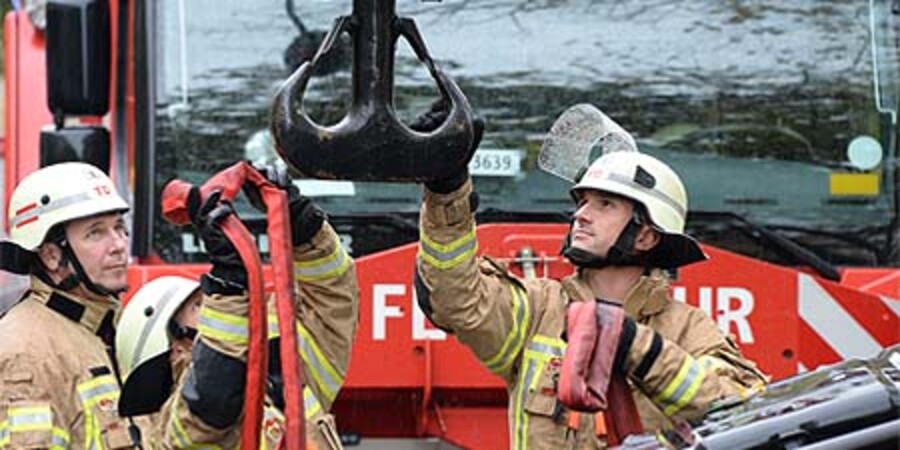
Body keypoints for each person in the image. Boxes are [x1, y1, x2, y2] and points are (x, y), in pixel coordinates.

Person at [413, 115, 767, 448]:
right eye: (582, 203)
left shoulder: (689, 328)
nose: (581, 215)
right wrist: (448, 189)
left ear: (645, 236)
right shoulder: (539, 309)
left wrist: (636, 346)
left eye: (605, 204)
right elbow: (457, 300)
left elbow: (738, 410)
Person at [114, 173, 358, 449]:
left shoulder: (280, 378)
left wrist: (302, 225)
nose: (216, 306)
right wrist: (228, 283)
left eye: (212, 299)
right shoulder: (176, 428)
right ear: (176, 348)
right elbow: (209, 404)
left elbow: (331, 298)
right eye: (200, 305)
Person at [0, 162, 147, 449]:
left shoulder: (108, 328)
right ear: (52, 256)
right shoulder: (26, 355)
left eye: (119, 227)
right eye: (96, 233)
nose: (118, 244)